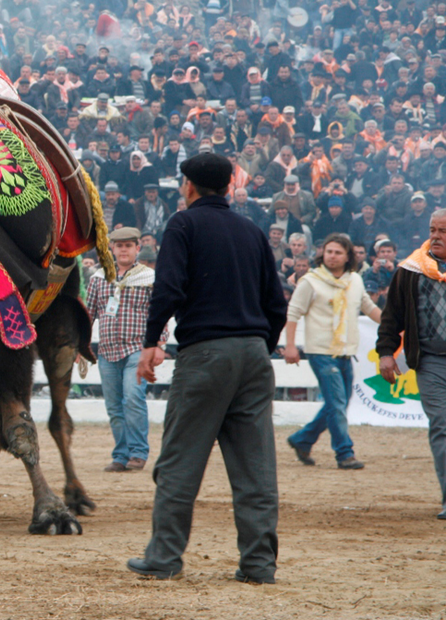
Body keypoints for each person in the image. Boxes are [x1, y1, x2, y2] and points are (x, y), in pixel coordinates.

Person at [132, 153, 287, 584]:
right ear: (226, 186)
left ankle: (164, 558)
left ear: (190, 186)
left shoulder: (184, 225)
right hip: (254, 355)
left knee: (180, 461)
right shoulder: (253, 231)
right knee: (255, 468)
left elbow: (168, 289)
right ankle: (258, 565)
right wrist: (258, 345)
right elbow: (276, 304)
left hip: (205, 354)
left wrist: (150, 342)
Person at [283, 234, 381, 469]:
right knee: (337, 403)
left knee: (337, 404)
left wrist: (394, 326)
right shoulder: (310, 281)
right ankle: (344, 453)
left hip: (345, 352)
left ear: (348, 257)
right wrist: (290, 345)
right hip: (320, 351)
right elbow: (293, 313)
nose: (332, 256)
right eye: (329, 252)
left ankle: (302, 439)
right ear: (322, 254)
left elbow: (368, 307)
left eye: (338, 252)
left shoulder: (355, 281)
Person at [376, 209, 446, 520]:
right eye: (433, 229)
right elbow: (392, 315)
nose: (436, 236)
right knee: (443, 425)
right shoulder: (411, 269)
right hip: (430, 361)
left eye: (443, 231)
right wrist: (386, 352)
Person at [85, 227, 159, 473]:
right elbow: (90, 313)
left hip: (137, 347)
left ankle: (137, 453)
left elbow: (159, 314)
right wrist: (81, 342)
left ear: (137, 248)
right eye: (119, 246)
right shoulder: (98, 278)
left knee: (133, 398)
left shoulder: (149, 278)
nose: (124, 250)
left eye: (129, 245)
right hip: (107, 350)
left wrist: (158, 344)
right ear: (112, 249)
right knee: (115, 406)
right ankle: (122, 454)